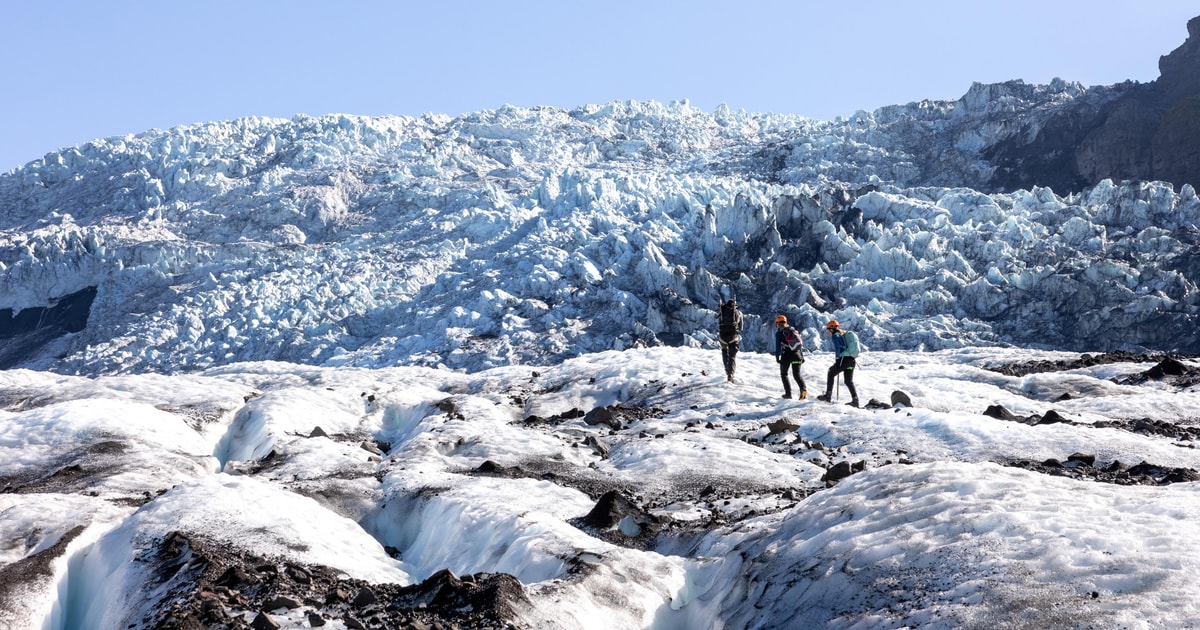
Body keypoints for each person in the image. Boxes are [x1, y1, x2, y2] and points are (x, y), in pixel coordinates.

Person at [816, 320, 860, 407]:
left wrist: (837, 358)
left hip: (844, 359)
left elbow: (837, 347)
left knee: (831, 372)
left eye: (829, 330)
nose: (828, 332)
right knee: (848, 381)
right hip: (851, 360)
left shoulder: (835, 335)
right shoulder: (842, 334)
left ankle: (828, 396)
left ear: (832, 328)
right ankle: (855, 401)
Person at [773, 315, 806, 399]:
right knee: (797, 375)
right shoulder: (793, 330)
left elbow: (778, 347)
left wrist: (777, 357)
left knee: (784, 374)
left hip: (786, 355)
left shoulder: (779, 333)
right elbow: (799, 345)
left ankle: (788, 394)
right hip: (797, 355)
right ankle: (803, 391)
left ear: (777, 324)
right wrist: (802, 356)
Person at [717, 299, 743, 382]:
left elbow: (719, 324)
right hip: (733, 337)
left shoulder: (722, 312)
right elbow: (741, 328)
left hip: (722, 337)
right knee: (732, 355)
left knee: (724, 352)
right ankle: (730, 374)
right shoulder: (738, 313)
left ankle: (726, 370)